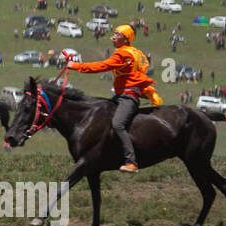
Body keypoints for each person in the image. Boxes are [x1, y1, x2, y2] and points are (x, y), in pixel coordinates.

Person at [66, 25, 161, 173]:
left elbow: (101, 66)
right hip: (120, 96)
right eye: (114, 33)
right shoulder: (131, 52)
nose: (113, 36)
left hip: (128, 98)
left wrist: (76, 66)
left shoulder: (123, 54)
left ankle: (131, 161)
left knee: (118, 124)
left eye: (117, 34)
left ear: (125, 38)